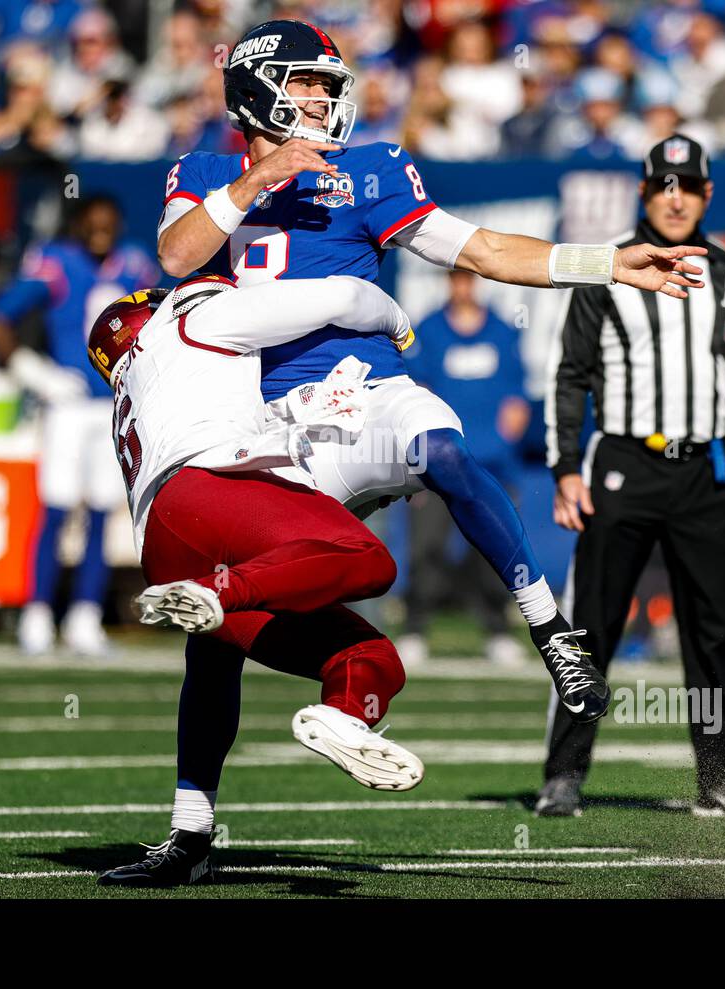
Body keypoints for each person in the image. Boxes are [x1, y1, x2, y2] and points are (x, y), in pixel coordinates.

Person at [156, 21, 710, 789]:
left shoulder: (371, 168)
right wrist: (258, 179)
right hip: (263, 426)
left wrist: (607, 263)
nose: (323, 98)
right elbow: (178, 253)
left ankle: (551, 632)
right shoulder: (206, 170)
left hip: (364, 392)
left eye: (328, 85)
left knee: (443, 447)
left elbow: (482, 249)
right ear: (257, 90)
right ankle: (192, 827)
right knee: (215, 636)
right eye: (306, 83)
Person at [87, 273, 420, 887]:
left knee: (366, 657)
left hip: (164, 544)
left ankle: (194, 833)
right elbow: (347, 297)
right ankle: (219, 594)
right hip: (210, 491)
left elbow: (232, 413)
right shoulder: (192, 319)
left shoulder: (134, 390)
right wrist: (399, 326)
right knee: (368, 558)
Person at [539, 134, 725, 818]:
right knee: (593, 624)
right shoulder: (611, 268)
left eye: (688, 185)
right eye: (664, 185)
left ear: (707, 194)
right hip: (625, 462)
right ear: (645, 191)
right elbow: (571, 376)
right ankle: (564, 771)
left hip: (708, 470)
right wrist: (567, 467)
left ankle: (721, 777)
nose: (676, 197)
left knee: (713, 632)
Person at [0, 195, 157, 656]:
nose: (101, 232)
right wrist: (34, 373)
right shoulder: (56, 263)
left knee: (101, 512)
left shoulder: (135, 267)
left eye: (108, 224)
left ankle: (84, 617)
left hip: (113, 408)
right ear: (78, 226)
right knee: (57, 509)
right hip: (66, 407)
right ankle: (37, 615)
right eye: (92, 224)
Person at [400, 269, 531, 668]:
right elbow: (417, 388)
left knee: (496, 551)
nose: (462, 287)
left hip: (491, 465)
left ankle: (497, 630)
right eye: (455, 279)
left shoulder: (503, 331)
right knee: (427, 548)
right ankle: (415, 628)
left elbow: (517, 392)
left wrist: (513, 423)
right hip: (440, 463)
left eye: (468, 279)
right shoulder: (430, 330)